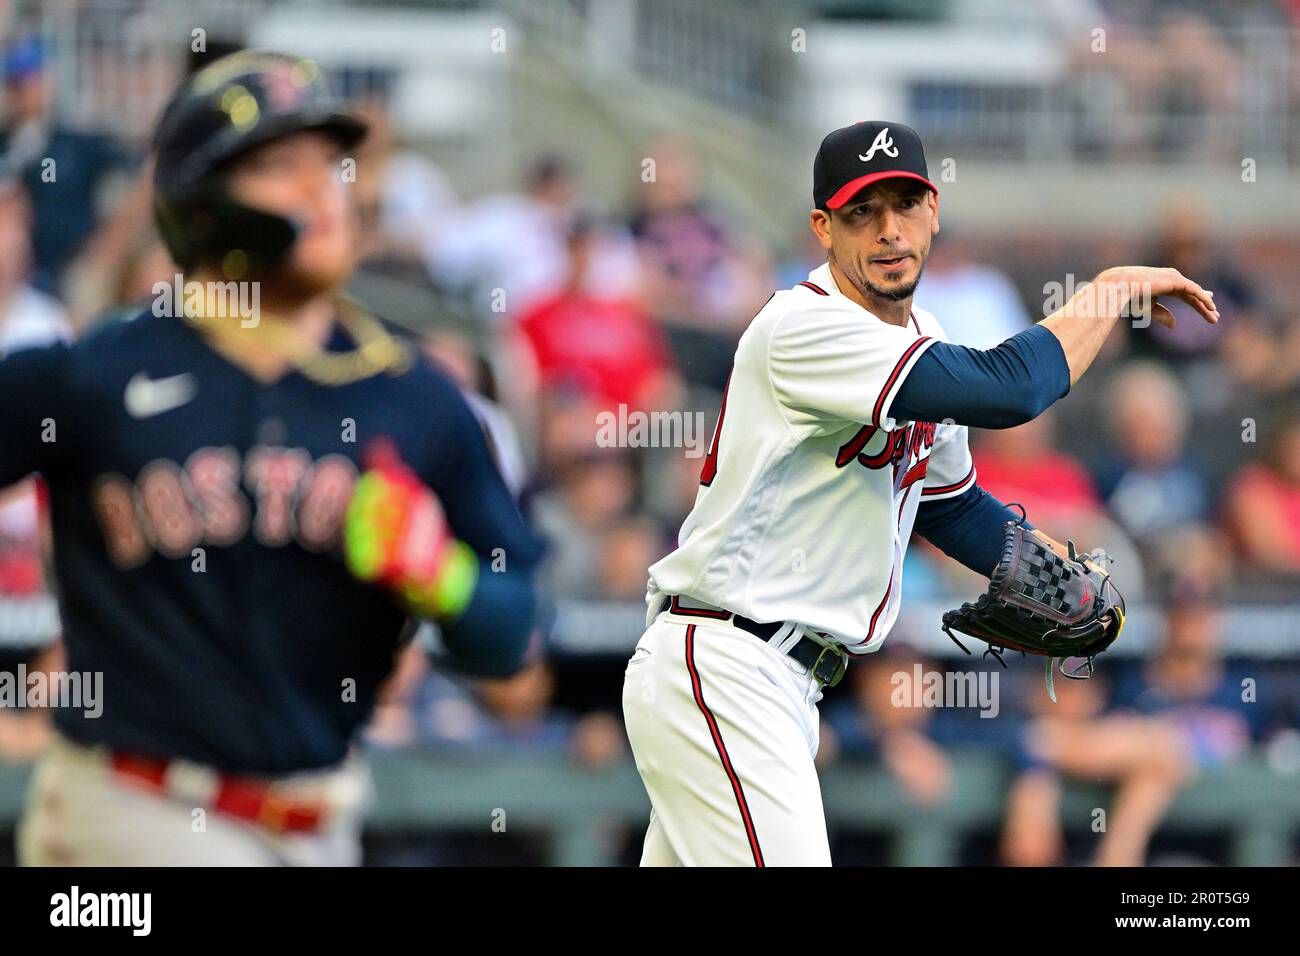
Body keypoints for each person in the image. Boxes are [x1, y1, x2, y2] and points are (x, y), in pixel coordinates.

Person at [620, 120, 1218, 867]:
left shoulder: (918, 338)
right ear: (823, 228)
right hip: (727, 667)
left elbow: (950, 505)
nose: (888, 229)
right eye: (861, 211)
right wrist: (1108, 292)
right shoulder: (804, 325)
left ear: (933, 212)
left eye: (905, 204)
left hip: (773, 683)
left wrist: (1034, 566)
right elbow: (1014, 390)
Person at [5, 50, 542, 866]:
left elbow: (512, 639)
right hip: (130, 806)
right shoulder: (98, 374)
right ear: (200, 200)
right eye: (278, 166)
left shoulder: (413, 398)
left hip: (320, 820)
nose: (320, 189)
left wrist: (445, 575)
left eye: (330, 164)